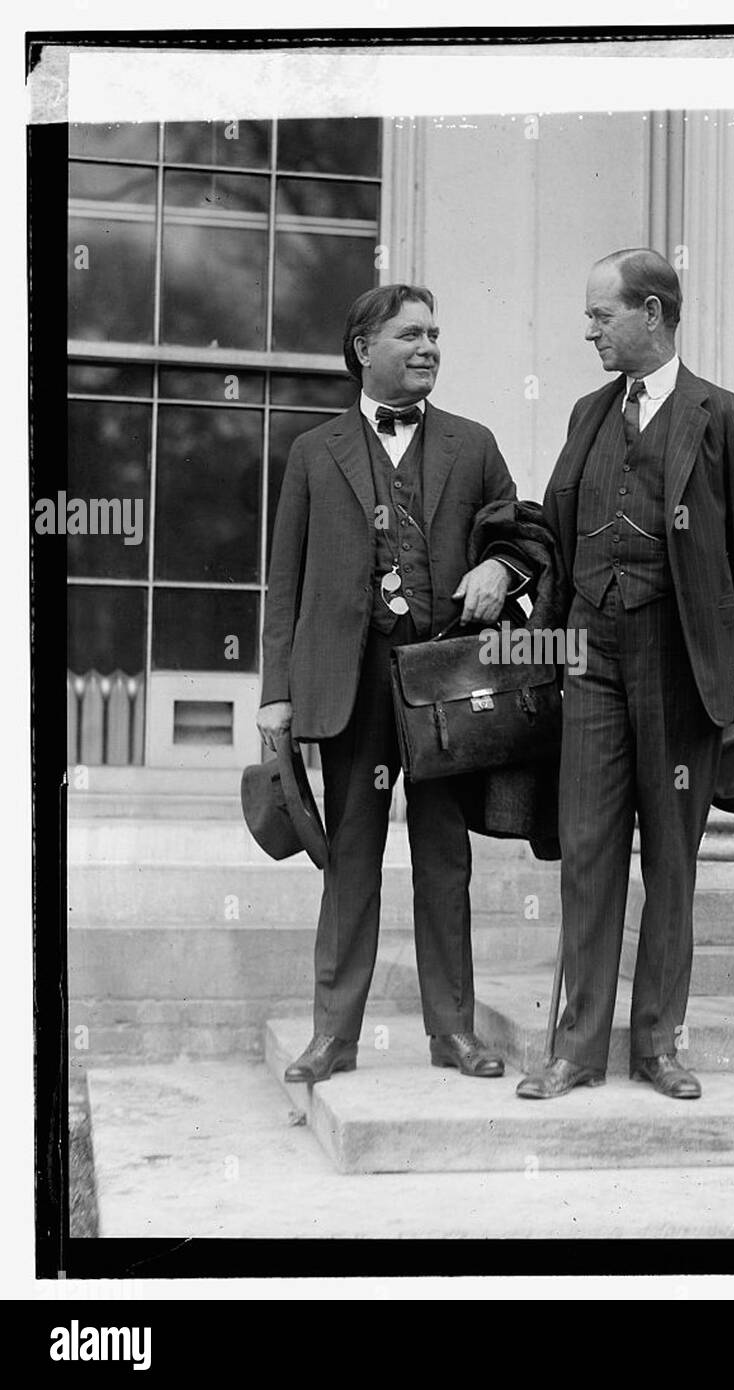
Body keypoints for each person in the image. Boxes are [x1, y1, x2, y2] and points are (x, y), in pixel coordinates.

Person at [517, 249, 734, 1101]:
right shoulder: (588, 413)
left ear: (653, 313)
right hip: (590, 654)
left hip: (677, 656)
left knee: (669, 857)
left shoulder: (725, 417)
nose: (588, 329)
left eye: (602, 315)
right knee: (587, 850)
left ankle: (659, 1045)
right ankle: (576, 1049)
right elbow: (559, 533)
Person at [258, 283, 528, 1084]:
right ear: (362, 348)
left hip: (443, 686)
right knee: (350, 860)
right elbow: (284, 581)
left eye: (435, 336)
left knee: (445, 858)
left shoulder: (472, 445)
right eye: (410, 334)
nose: (428, 348)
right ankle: (334, 1038)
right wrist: (276, 692)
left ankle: (454, 1034)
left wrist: (497, 565)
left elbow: (524, 534)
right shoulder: (314, 453)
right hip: (349, 683)